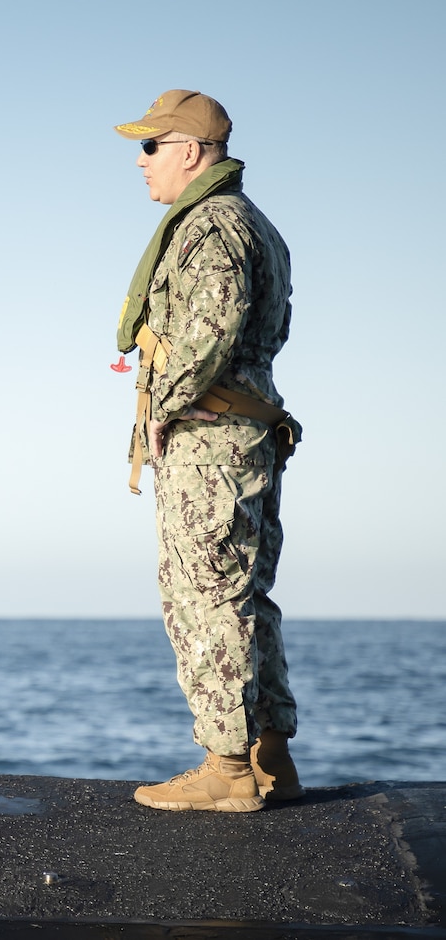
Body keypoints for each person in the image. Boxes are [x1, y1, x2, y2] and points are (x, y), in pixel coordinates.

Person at [112, 89, 302, 812]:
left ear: (190, 151)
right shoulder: (253, 222)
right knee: (246, 594)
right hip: (241, 432)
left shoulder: (212, 226)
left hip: (210, 438)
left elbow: (208, 332)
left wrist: (161, 409)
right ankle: (269, 754)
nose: (141, 160)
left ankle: (227, 767)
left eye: (151, 146)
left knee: (204, 595)